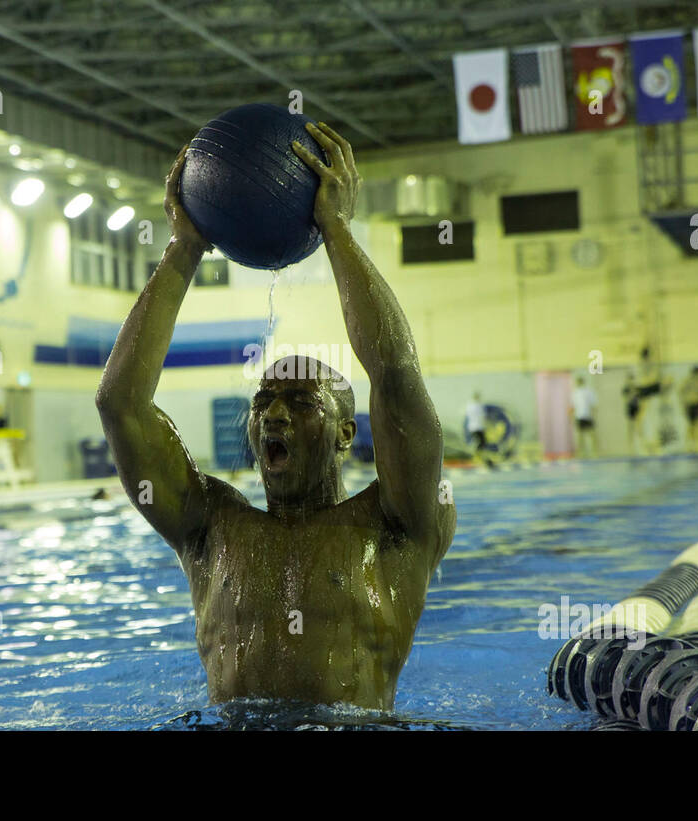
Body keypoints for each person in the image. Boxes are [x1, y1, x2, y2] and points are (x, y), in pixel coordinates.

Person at [96, 123, 456, 712]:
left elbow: (394, 374)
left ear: (346, 433)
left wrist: (337, 229)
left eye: (300, 402)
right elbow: (120, 405)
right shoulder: (207, 527)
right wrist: (183, 249)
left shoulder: (399, 523)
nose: (274, 416)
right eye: (263, 402)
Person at [569, 376, 598, 458]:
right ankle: (581, 453)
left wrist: (593, 416)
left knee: (592, 435)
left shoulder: (588, 391)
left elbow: (593, 405)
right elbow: (572, 407)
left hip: (588, 416)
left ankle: (594, 452)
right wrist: (571, 417)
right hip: (580, 416)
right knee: (580, 436)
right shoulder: (575, 393)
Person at [465, 392, 493, 468]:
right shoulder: (479, 406)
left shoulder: (470, 406)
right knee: (481, 443)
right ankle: (478, 456)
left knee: (481, 443)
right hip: (478, 427)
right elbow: (484, 416)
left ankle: (479, 456)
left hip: (474, 427)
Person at [622, 371, 641, 454]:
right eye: (629, 379)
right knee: (630, 427)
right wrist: (631, 395)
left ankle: (639, 444)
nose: (631, 381)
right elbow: (625, 400)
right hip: (630, 408)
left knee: (638, 427)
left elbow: (640, 400)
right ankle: (630, 446)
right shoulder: (626, 389)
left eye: (632, 379)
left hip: (637, 408)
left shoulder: (636, 388)